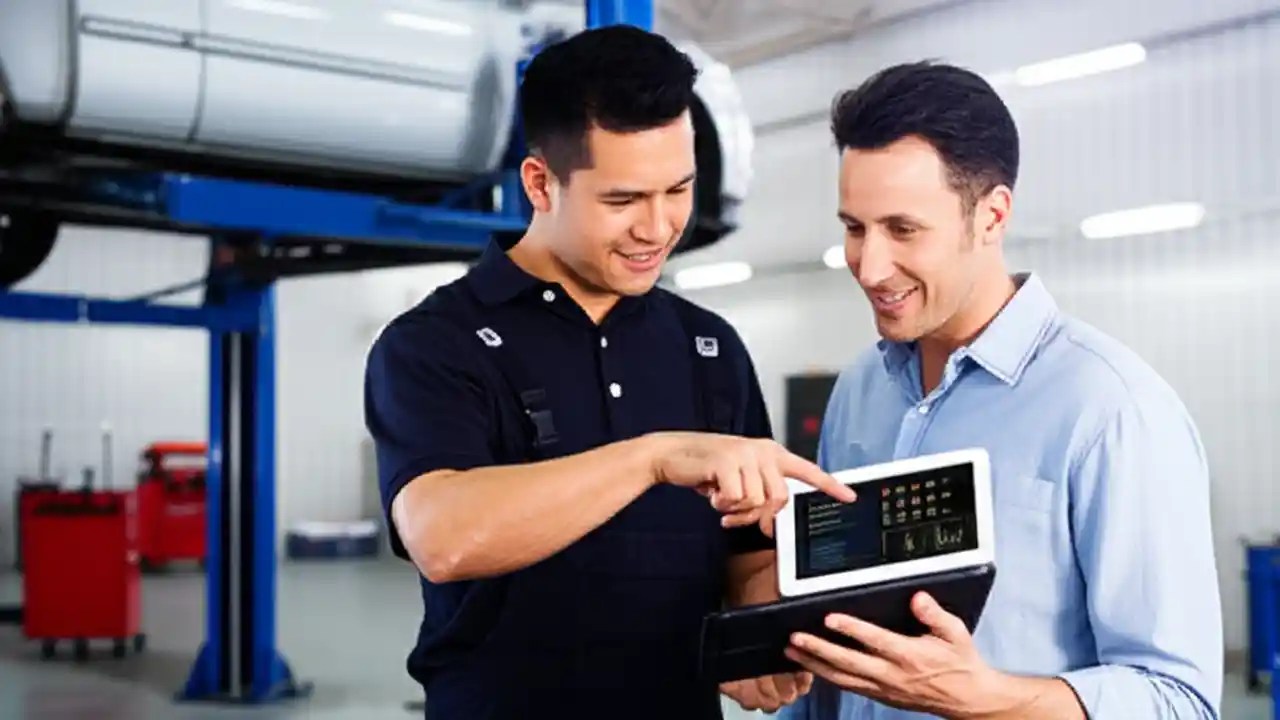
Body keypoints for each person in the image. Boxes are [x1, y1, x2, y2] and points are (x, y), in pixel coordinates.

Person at [363, 25, 853, 720]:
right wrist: (654, 457)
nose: (658, 227)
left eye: (678, 189)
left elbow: (745, 557)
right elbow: (444, 536)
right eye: (623, 201)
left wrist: (762, 634)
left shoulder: (707, 347)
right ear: (540, 183)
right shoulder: (436, 344)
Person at [779, 61, 1223, 720]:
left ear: (992, 216)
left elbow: (1179, 701)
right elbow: (838, 640)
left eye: (903, 229)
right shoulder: (860, 392)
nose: (869, 266)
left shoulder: (1113, 411)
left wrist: (986, 700)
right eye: (853, 228)